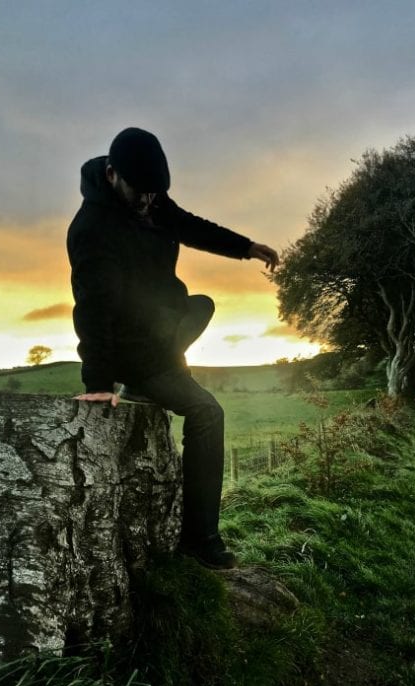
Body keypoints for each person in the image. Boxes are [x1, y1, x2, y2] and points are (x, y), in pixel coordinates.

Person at [67, 127, 278, 569]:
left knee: (201, 305)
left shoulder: (153, 201)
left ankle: (159, 373)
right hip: (130, 347)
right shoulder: (92, 230)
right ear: (112, 174)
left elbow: (191, 227)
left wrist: (246, 247)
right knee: (207, 413)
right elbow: (92, 311)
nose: (148, 202)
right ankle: (201, 539)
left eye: (154, 193)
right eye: (140, 193)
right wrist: (99, 385)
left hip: (157, 329)